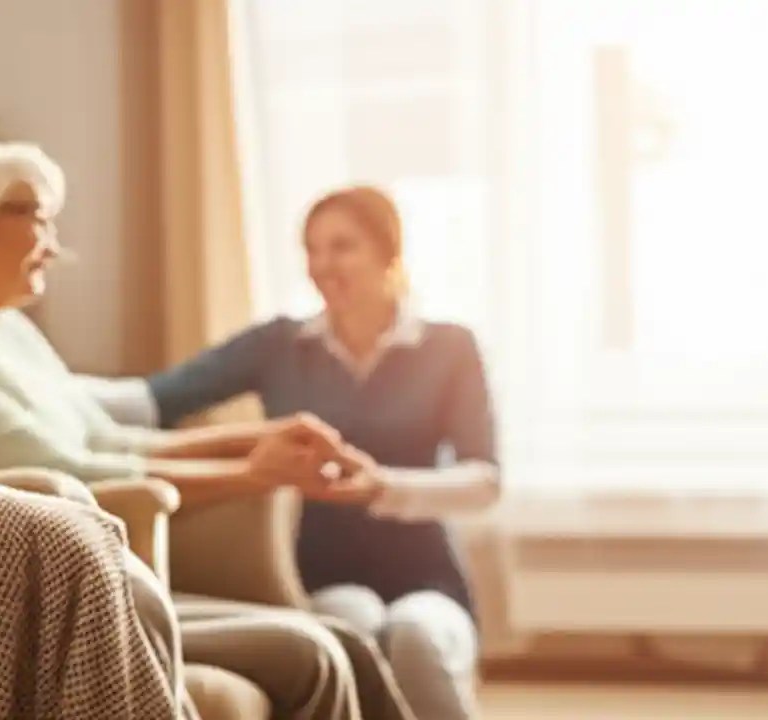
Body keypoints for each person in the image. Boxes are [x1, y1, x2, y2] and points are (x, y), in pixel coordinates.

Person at [0, 139, 370, 719]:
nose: (53, 246)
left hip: (82, 590)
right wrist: (250, 474)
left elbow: (109, 442)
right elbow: (69, 477)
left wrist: (256, 439)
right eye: (38, 218)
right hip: (8, 614)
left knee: (345, 643)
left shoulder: (8, 335)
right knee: (309, 654)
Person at [133, 186, 502, 719]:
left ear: (389, 252)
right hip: (317, 573)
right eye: (312, 250)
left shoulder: (449, 347)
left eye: (341, 247)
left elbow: (484, 479)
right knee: (357, 631)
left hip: (426, 574)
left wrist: (384, 487)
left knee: (414, 635)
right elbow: (154, 400)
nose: (322, 265)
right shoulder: (280, 345)